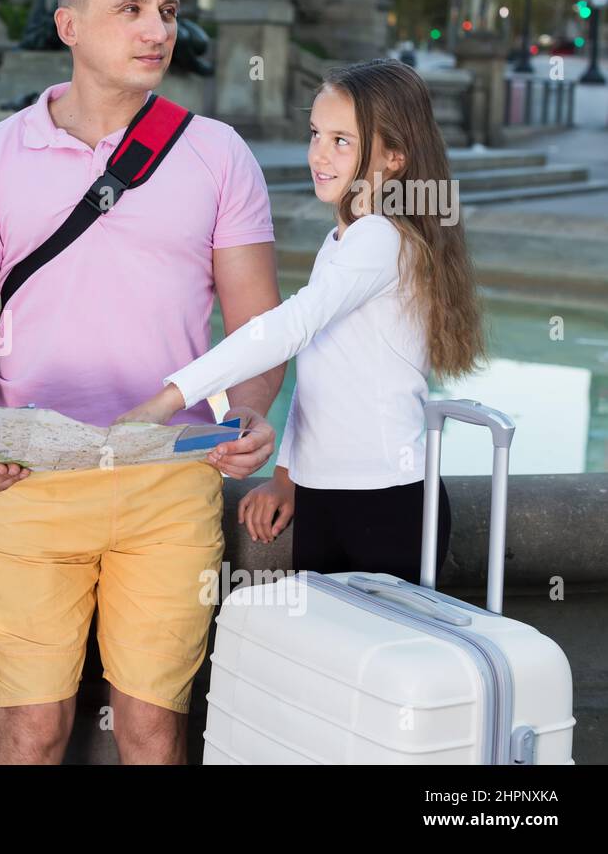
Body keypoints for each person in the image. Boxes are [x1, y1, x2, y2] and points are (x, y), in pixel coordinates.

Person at [0, 0, 283, 765]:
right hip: (27, 477)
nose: (156, 29)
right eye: (130, 10)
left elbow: (261, 329)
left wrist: (252, 414)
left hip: (171, 473)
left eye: (166, 11)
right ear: (69, 26)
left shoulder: (218, 154)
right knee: (30, 731)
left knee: (153, 731)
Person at [121, 59, 486, 584]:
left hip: (387, 501)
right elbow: (317, 375)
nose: (319, 153)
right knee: (324, 663)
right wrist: (288, 481)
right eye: (316, 133)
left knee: (375, 663)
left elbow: (288, 327)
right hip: (323, 497)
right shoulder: (341, 240)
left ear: (395, 156)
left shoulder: (382, 238)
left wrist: (165, 401)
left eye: (343, 141)